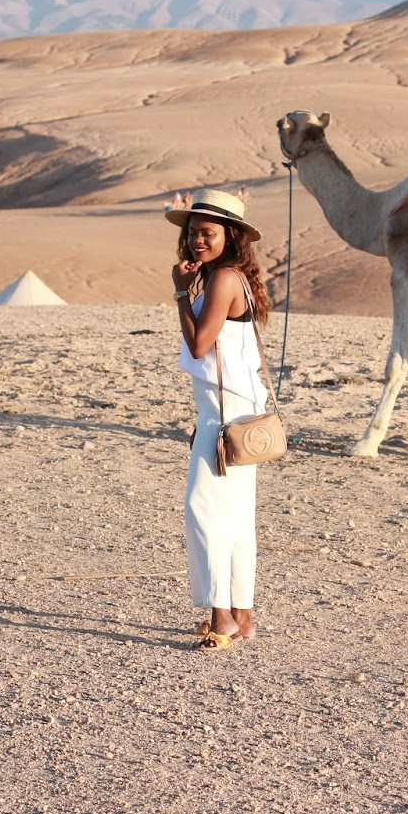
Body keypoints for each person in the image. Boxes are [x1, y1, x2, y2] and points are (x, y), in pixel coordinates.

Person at [166, 188, 272, 651]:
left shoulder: (225, 279)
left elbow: (200, 346)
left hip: (226, 416)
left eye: (207, 233)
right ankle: (242, 615)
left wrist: (177, 293)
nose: (196, 241)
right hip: (232, 411)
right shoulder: (233, 278)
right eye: (192, 233)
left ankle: (221, 617)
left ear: (230, 237)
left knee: (204, 510)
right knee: (234, 518)